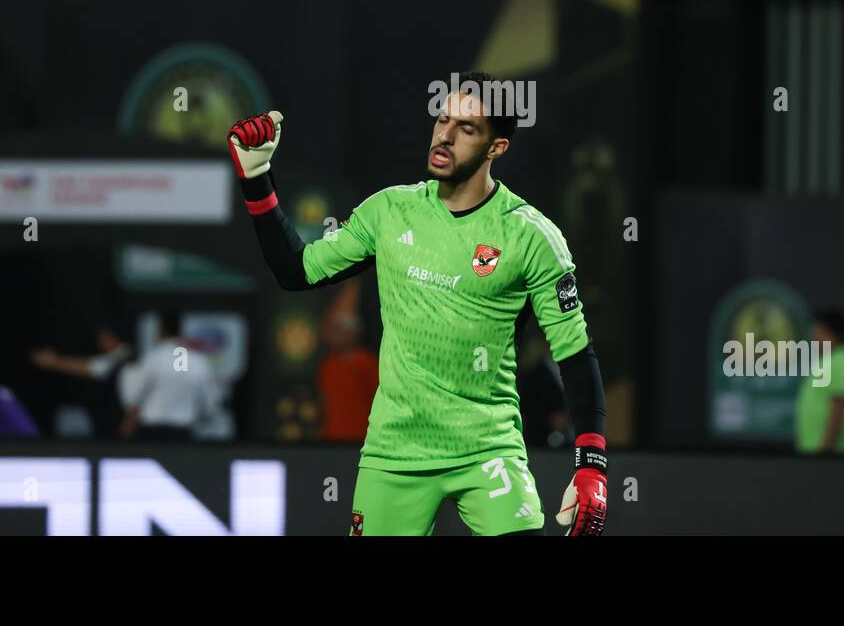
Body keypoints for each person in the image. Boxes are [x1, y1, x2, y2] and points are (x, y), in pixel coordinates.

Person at [226, 71, 608, 536]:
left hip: (488, 451)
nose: (445, 135)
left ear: (497, 148)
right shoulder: (389, 211)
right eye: (443, 118)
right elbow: (296, 271)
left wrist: (591, 466)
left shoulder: (530, 236)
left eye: (467, 128)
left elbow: (574, 353)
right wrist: (256, 177)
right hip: (395, 454)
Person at [119, 309, 222, 441]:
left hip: (152, 432)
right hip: (184, 432)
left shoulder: (153, 358)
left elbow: (133, 397)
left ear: (161, 330)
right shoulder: (199, 361)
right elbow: (211, 404)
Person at [315, 280, 379, 441]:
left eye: (339, 330)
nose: (333, 336)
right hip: (331, 443)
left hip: (361, 441)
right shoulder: (328, 365)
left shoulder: (367, 363)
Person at [794, 307, 844, 455]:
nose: (814, 334)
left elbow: (838, 409)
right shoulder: (827, 360)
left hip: (829, 456)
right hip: (814, 450)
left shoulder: (841, 362)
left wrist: (825, 451)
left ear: (830, 333)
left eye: (818, 329)